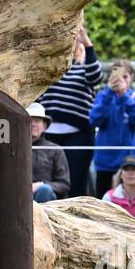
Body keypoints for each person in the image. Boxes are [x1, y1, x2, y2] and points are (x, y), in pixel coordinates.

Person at [36, 23, 102, 196]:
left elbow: (96, 77)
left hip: (77, 135)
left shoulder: (84, 64)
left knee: (76, 182)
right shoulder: (51, 65)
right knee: (49, 180)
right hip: (48, 134)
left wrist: (86, 43)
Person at [88, 59, 135, 197]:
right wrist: (109, 94)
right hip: (105, 161)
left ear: (131, 78)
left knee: (127, 200)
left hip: (127, 162)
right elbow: (94, 120)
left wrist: (124, 97)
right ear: (110, 77)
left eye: (125, 77)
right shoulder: (103, 96)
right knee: (103, 201)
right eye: (116, 76)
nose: (121, 81)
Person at [28, 103, 71, 202]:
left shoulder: (55, 149)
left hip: (46, 201)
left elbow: (64, 184)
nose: (33, 124)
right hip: (18, 196)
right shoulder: (14, 148)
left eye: (37, 121)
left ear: (44, 126)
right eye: (29, 121)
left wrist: (41, 185)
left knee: (44, 190)